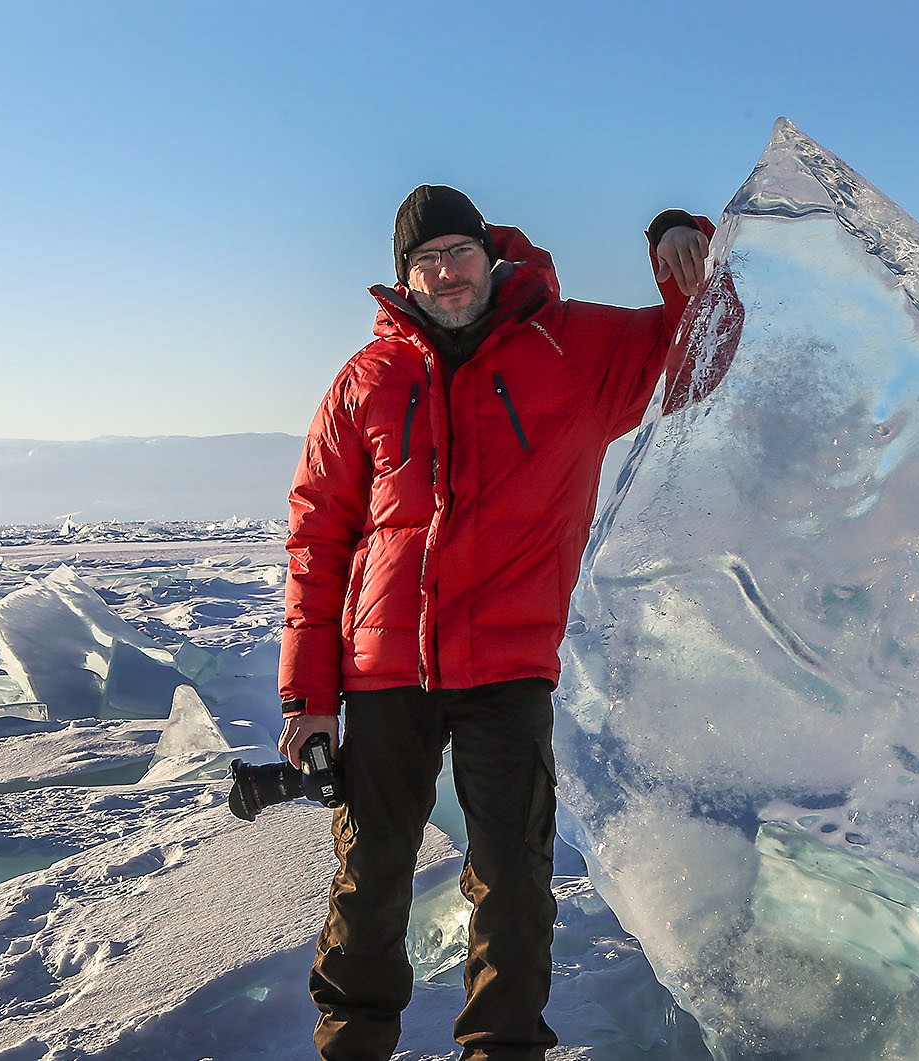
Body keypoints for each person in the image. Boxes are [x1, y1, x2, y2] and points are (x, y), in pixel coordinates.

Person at [276, 185, 721, 1061]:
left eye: (460, 254)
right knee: (370, 880)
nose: (446, 274)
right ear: (405, 276)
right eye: (426, 261)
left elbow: (703, 345)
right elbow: (318, 539)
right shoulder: (365, 380)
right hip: (383, 672)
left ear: (493, 257)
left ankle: (502, 1050)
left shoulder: (571, 348)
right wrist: (308, 697)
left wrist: (681, 236)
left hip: (509, 668)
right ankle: (351, 1049)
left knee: (515, 883)